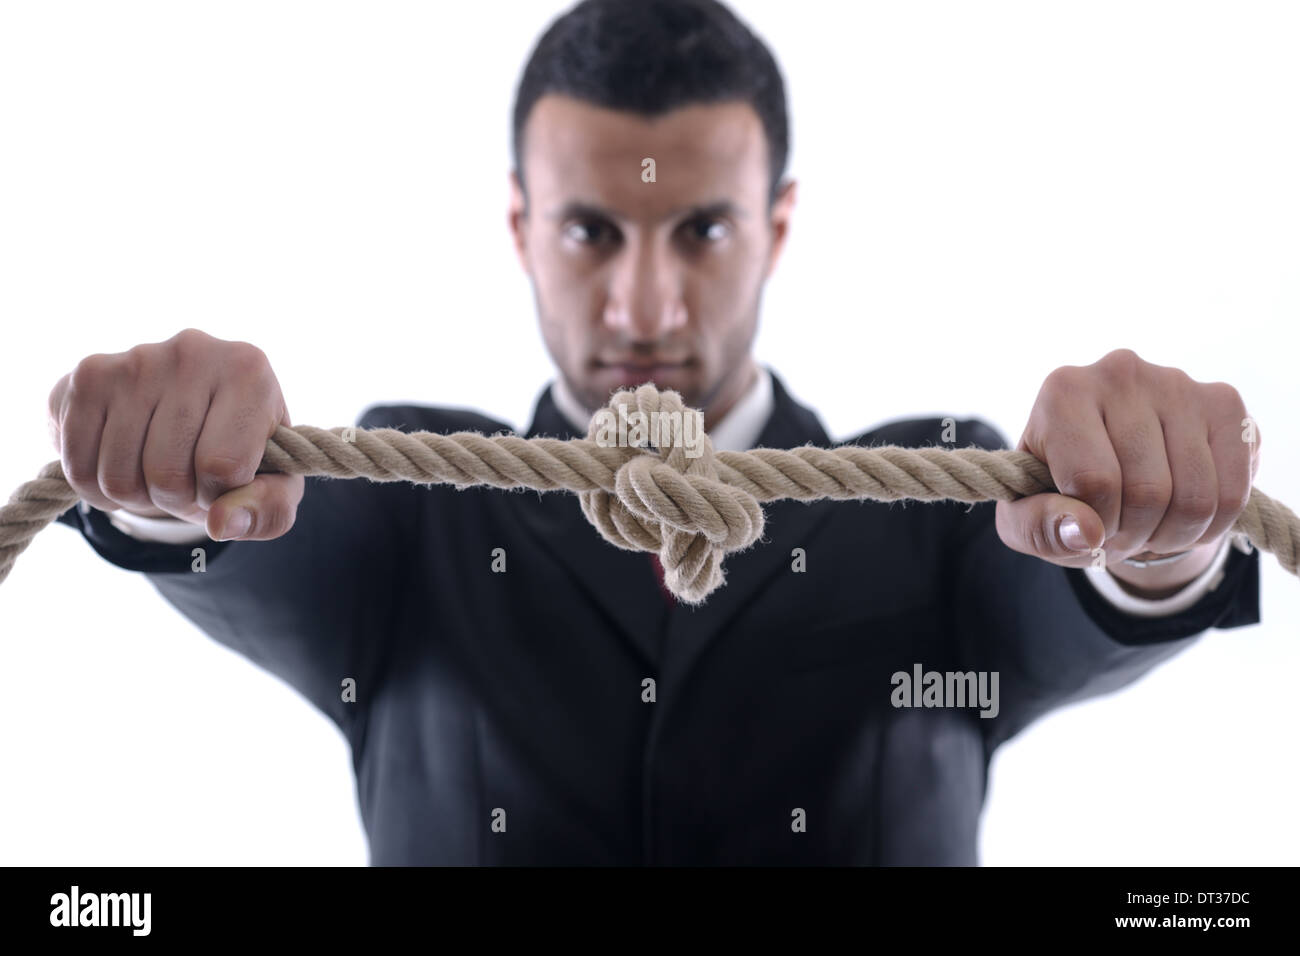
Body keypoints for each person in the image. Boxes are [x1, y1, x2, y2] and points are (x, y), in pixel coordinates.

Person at [49, 0, 1260, 865]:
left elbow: (1076, 587)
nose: (644, 306)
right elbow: (255, 540)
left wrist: (1155, 536)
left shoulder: (937, 500)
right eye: (589, 232)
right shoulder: (412, 503)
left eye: (701, 231)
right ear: (519, 227)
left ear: (776, 226)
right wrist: (164, 489)